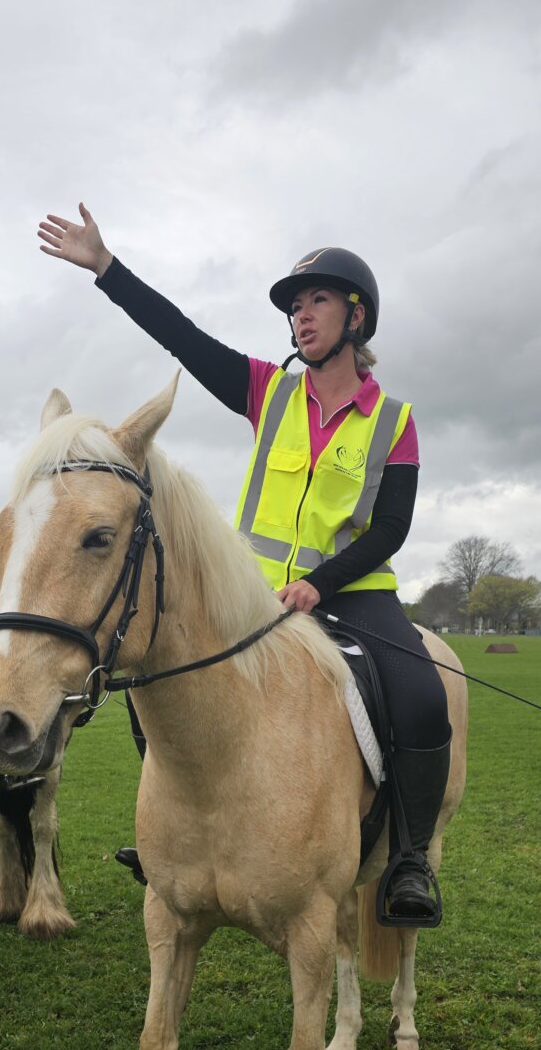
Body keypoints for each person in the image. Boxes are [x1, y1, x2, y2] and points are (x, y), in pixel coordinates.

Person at [37, 204, 452, 924]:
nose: (300, 315)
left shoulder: (394, 420)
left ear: (356, 316)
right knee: (153, 681)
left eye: (316, 299)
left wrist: (320, 582)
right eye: (294, 306)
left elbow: (391, 527)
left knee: (420, 694)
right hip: (252, 596)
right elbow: (183, 337)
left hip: (353, 593)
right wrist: (106, 269)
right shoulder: (269, 390)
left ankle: (409, 860)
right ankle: (167, 836)